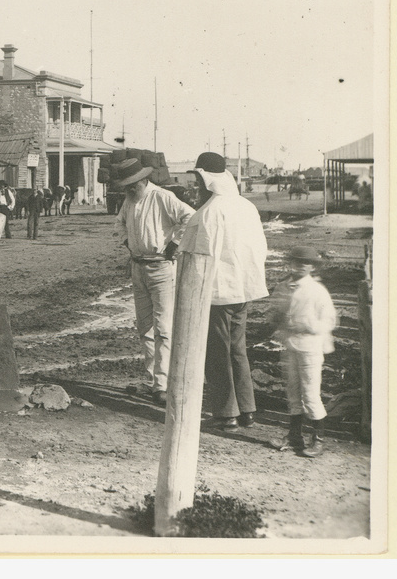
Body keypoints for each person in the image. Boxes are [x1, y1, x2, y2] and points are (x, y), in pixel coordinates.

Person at [183, 152, 269, 430]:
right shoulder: (246, 206)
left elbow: (200, 258)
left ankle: (225, 414)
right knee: (237, 350)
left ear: (206, 179)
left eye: (198, 180)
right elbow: (260, 248)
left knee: (217, 353)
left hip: (218, 294)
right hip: (243, 291)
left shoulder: (209, 212)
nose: (197, 186)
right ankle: (247, 410)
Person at [114, 157, 195, 405]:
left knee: (164, 328)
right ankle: (152, 380)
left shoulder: (162, 197)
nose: (129, 189)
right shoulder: (129, 200)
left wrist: (175, 243)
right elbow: (119, 224)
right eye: (126, 186)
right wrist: (128, 242)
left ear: (144, 180)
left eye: (133, 184)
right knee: (145, 327)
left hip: (161, 268)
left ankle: (163, 384)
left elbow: (190, 217)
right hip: (138, 267)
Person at [268, 245, 337, 457]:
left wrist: (306, 325)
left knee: (310, 393)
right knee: (293, 392)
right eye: (296, 261)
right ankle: (294, 436)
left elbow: (329, 321)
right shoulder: (284, 286)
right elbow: (275, 311)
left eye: (306, 263)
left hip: (311, 347)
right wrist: (277, 319)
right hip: (290, 345)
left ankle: (318, 439)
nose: (300, 266)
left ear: (313, 267)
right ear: (290, 263)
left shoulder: (317, 290)